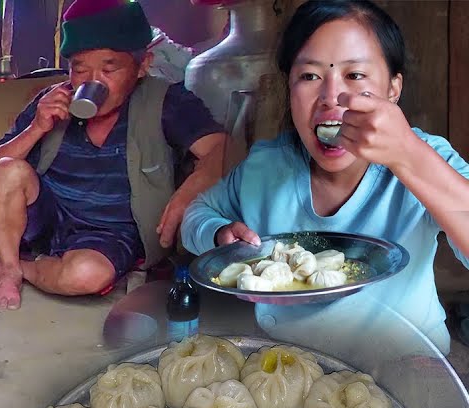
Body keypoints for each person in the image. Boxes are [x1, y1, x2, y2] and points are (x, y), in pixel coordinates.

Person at [181, 0, 469, 355]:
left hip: (408, 365)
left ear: (393, 88)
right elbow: (196, 215)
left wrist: (407, 156)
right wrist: (219, 235)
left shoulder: (428, 158)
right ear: (288, 89)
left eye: (355, 75)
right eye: (309, 76)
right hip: (293, 367)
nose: (331, 97)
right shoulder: (265, 169)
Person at [0, 0, 226, 309]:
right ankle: (10, 270)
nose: (92, 82)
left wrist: (191, 190)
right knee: (8, 169)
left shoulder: (166, 102)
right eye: (80, 69)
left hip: (109, 235)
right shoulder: (54, 99)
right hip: (48, 217)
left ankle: (20, 268)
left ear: (142, 65)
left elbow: (221, 150)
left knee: (86, 275)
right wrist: (37, 127)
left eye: (109, 69)